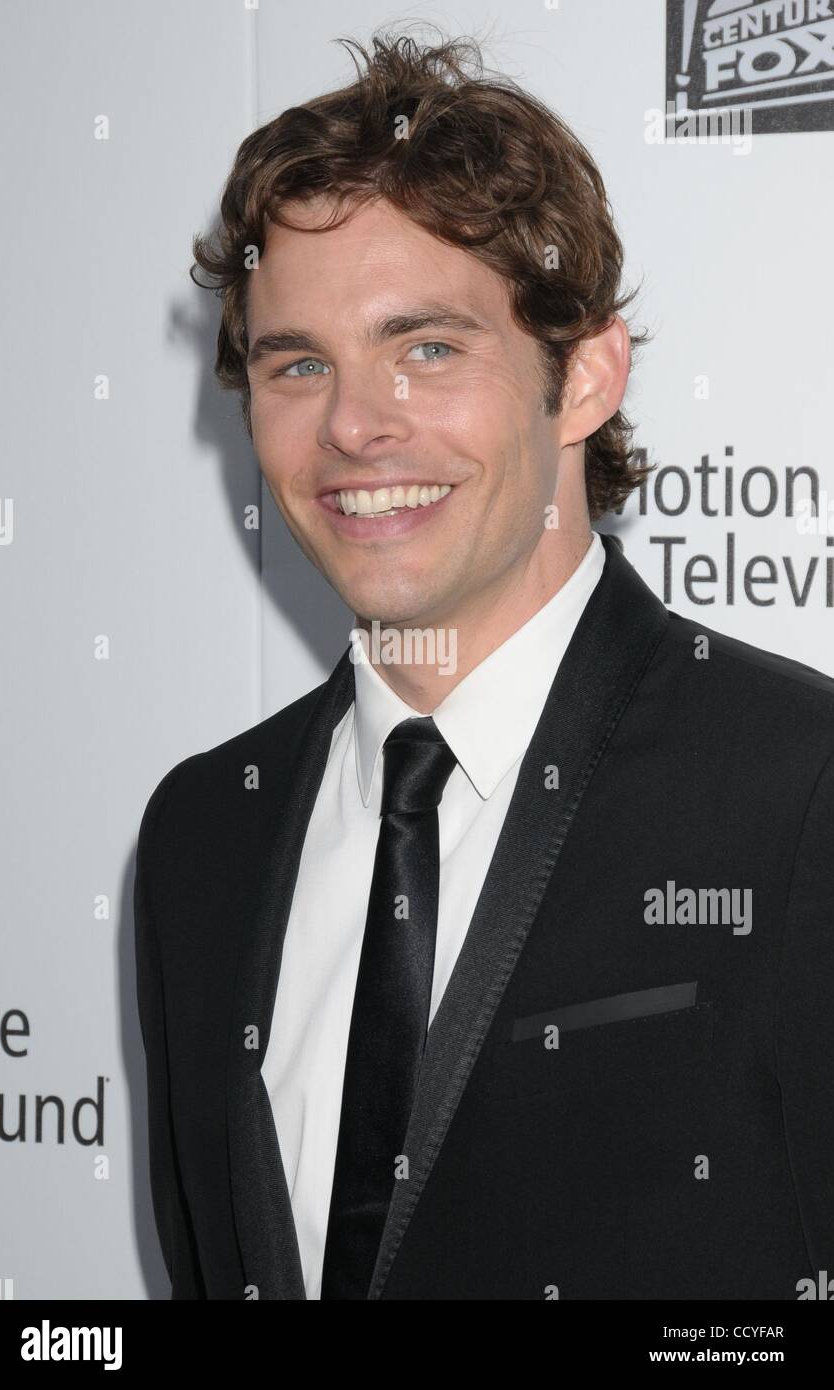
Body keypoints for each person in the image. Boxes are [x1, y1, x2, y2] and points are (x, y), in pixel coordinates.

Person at [134, 30, 834, 1300]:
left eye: (428, 348)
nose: (354, 425)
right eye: (298, 363)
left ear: (582, 379)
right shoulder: (200, 836)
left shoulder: (800, 788)